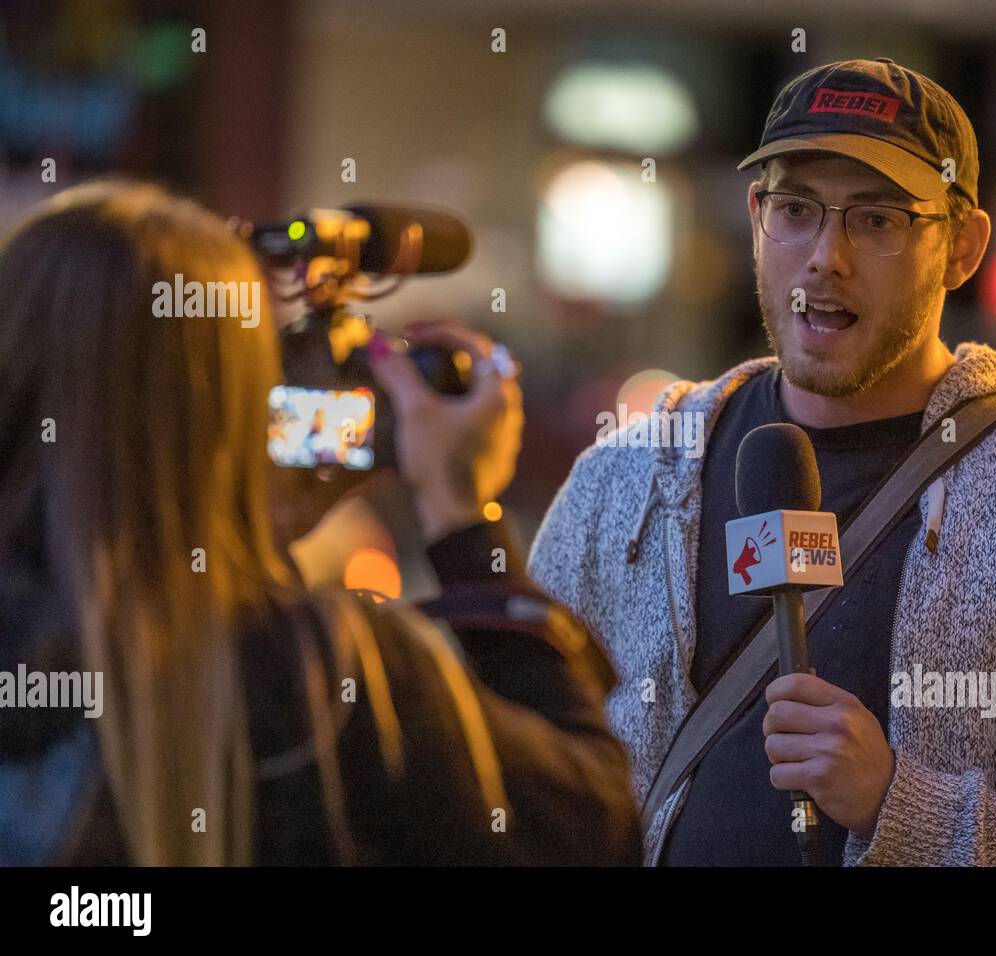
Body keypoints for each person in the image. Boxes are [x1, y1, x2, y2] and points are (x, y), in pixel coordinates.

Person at [528, 58, 996, 866]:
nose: (827, 256)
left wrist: (900, 806)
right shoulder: (626, 483)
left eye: (878, 220)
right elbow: (519, 776)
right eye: (797, 210)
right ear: (758, 220)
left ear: (961, 246)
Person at [0, 180, 642, 866]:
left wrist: (254, 530)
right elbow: (592, 824)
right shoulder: (327, 677)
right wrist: (461, 516)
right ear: (240, 409)